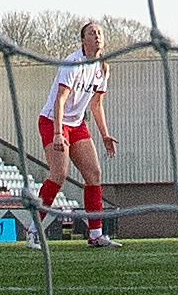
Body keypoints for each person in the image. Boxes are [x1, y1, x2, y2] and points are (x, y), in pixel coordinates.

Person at [26, 19, 116, 244]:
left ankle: (96, 234)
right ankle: (33, 230)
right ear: (83, 40)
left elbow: (96, 104)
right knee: (59, 174)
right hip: (53, 121)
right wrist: (57, 133)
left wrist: (105, 135)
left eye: (99, 33)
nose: (97, 36)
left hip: (77, 124)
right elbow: (60, 99)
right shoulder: (72, 63)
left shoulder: (103, 67)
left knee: (94, 174)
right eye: (92, 33)